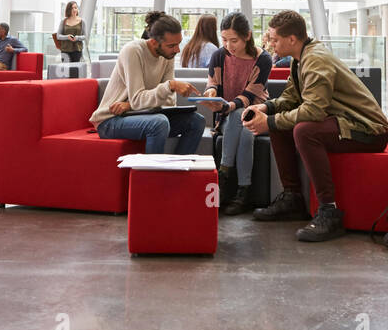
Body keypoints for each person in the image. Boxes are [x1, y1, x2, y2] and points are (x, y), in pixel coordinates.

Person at [244, 10, 388, 243]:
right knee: (282, 123)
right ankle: (293, 198)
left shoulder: (315, 59)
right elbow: (291, 99)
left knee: (305, 130)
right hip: (343, 121)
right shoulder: (300, 58)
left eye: (274, 38)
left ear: (292, 39)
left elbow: (313, 111)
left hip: (369, 130)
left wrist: (269, 122)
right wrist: (267, 109)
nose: (269, 43)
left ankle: (329, 211)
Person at [91, 11, 207, 156]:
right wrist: (170, 86)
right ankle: (151, 177)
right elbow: (139, 98)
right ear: (153, 42)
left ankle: (177, 171)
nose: (177, 50)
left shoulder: (167, 55)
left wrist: (129, 106)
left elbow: (170, 102)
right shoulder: (133, 51)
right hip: (111, 120)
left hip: (137, 114)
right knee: (159, 123)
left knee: (197, 121)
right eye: (172, 45)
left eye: (178, 44)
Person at [203, 11, 272, 216]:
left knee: (242, 117)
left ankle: (223, 177)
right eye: (224, 39)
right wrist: (211, 93)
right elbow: (212, 83)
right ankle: (244, 191)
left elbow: (250, 96)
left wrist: (227, 107)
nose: (228, 45)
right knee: (238, 119)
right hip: (227, 117)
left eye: (234, 40)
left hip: (255, 113)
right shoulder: (218, 55)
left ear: (247, 36)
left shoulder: (263, 59)